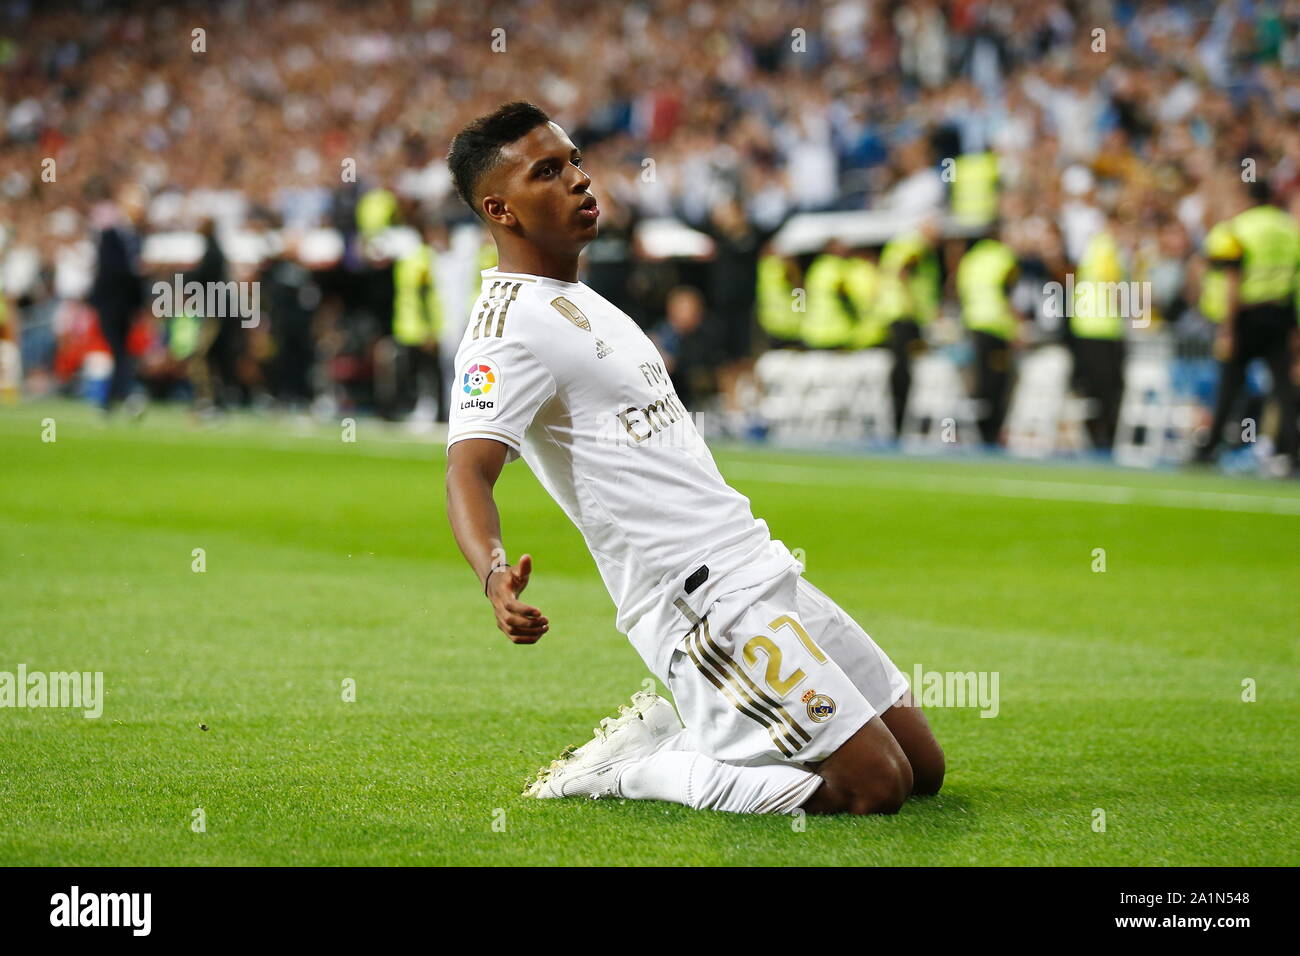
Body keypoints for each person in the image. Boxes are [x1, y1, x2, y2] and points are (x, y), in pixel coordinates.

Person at [443, 102, 943, 817]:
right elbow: (468, 467)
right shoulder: (505, 329)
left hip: (760, 564)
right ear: (501, 209)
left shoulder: (585, 299)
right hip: (698, 600)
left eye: (576, 161)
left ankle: (703, 731)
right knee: (875, 789)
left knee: (924, 769)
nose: (579, 181)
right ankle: (643, 767)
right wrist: (493, 572)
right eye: (547, 173)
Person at [1193, 182, 1299, 471]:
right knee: (1283, 388)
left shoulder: (1237, 229)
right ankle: (1293, 452)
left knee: (1229, 385)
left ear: (1246, 198)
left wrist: (1227, 326)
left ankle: (1210, 449)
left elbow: (1232, 278)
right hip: (1280, 313)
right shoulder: (1289, 229)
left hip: (1245, 316)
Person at [88, 183, 148, 413]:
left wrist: (140, 304)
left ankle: (113, 399)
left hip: (126, 305)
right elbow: (110, 269)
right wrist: (136, 270)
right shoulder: (110, 234)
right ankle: (125, 394)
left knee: (122, 350)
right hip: (110, 304)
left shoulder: (136, 236)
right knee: (119, 350)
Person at [957, 233, 1022, 446]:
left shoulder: (971, 258)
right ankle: (991, 434)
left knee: (980, 381)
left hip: (973, 323)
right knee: (997, 383)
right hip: (996, 326)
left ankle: (976, 432)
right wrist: (1016, 326)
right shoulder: (1003, 256)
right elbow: (1007, 292)